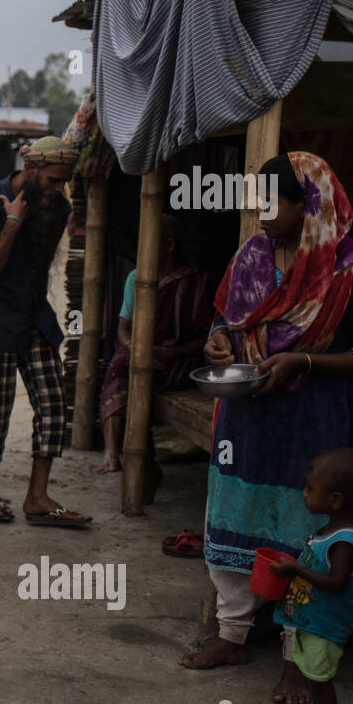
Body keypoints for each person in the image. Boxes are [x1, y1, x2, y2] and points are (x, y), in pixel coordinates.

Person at [180, 152, 353, 704]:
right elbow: (225, 322)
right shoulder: (251, 256)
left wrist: (303, 362)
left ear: (310, 205)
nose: (259, 214)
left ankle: (295, 660)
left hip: (311, 425)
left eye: (272, 202)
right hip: (245, 421)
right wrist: (218, 343)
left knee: (301, 537)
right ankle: (231, 636)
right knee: (234, 523)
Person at [0, 136, 92, 527]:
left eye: (64, 182)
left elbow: (38, 266)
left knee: (54, 405)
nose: (59, 189)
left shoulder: (58, 206)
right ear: (32, 169)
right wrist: (14, 223)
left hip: (34, 317)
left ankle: (37, 497)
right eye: (54, 180)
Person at [97, 213, 214, 509]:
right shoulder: (137, 278)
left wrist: (170, 353)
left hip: (179, 358)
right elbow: (123, 328)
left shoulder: (197, 282)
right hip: (139, 353)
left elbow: (207, 337)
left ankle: (145, 464)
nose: (141, 249)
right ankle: (113, 453)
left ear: (169, 245)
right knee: (122, 366)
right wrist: (139, 350)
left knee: (139, 377)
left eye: (149, 242)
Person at [268, 447, 353, 704]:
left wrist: (295, 568)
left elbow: (337, 583)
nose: (304, 493)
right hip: (314, 619)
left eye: (311, 489)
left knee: (321, 681)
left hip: (327, 625)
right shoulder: (333, 529)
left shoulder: (345, 542)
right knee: (315, 676)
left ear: (336, 500)